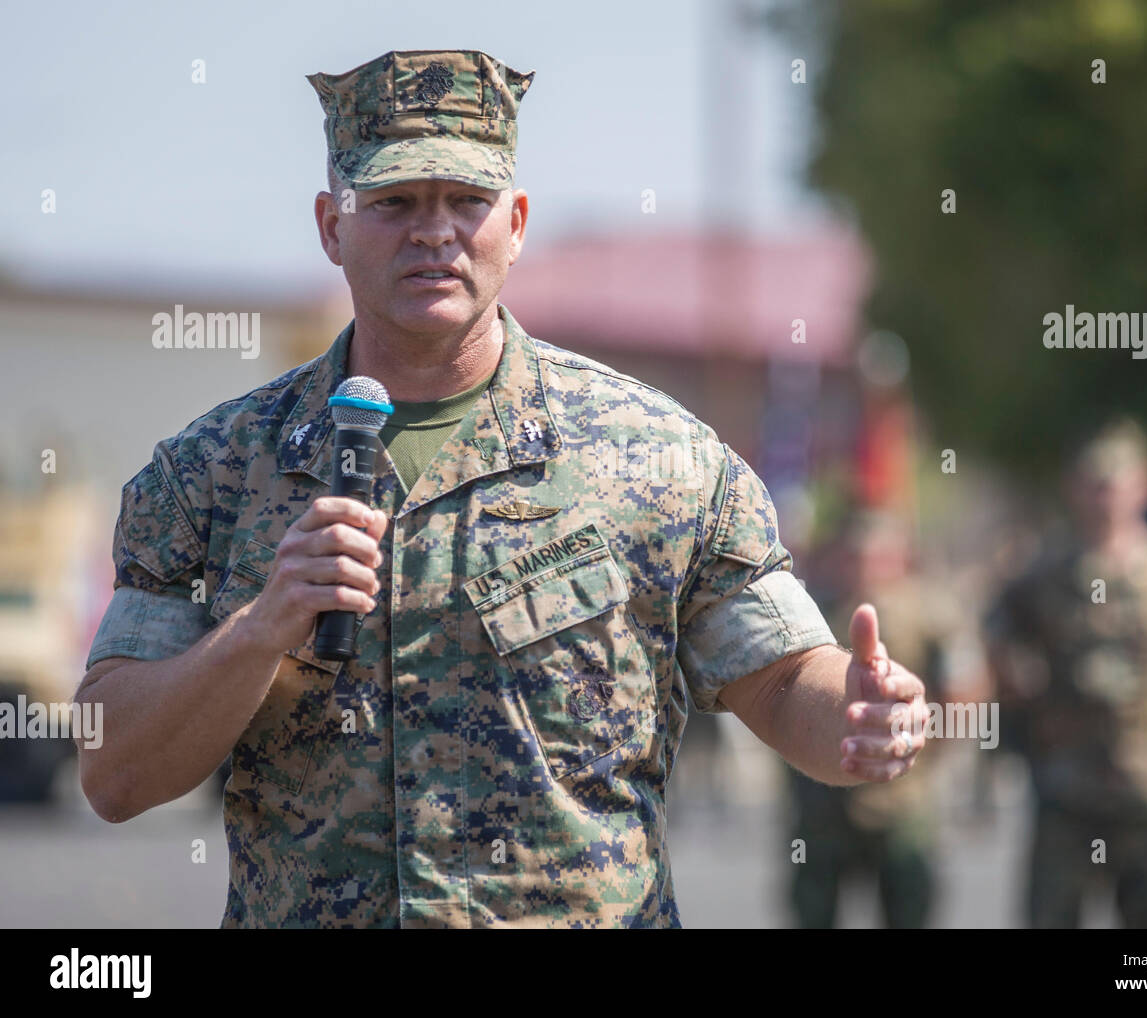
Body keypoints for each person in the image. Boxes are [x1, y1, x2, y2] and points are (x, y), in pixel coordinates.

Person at [72, 49, 928, 928]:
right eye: (396, 202)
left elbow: (784, 683)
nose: (434, 232)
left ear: (515, 224)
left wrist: (856, 715)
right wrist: (258, 632)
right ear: (332, 225)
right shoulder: (209, 474)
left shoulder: (660, 460)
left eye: (467, 202)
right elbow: (115, 773)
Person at [983, 418, 1147, 928]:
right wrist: (1022, 694)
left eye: (1117, 482)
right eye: (1094, 482)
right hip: (1069, 793)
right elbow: (994, 636)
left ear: (1143, 485)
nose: (1105, 495)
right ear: (1073, 488)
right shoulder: (1043, 572)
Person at [787, 510, 958, 928]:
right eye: (855, 556)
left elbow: (960, 689)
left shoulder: (928, 613)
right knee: (814, 910)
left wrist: (928, 751)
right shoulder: (812, 613)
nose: (865, 567)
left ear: (899, 558)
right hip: (821, 803)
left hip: (900, 802)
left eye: (878, 556)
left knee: (908, 906)